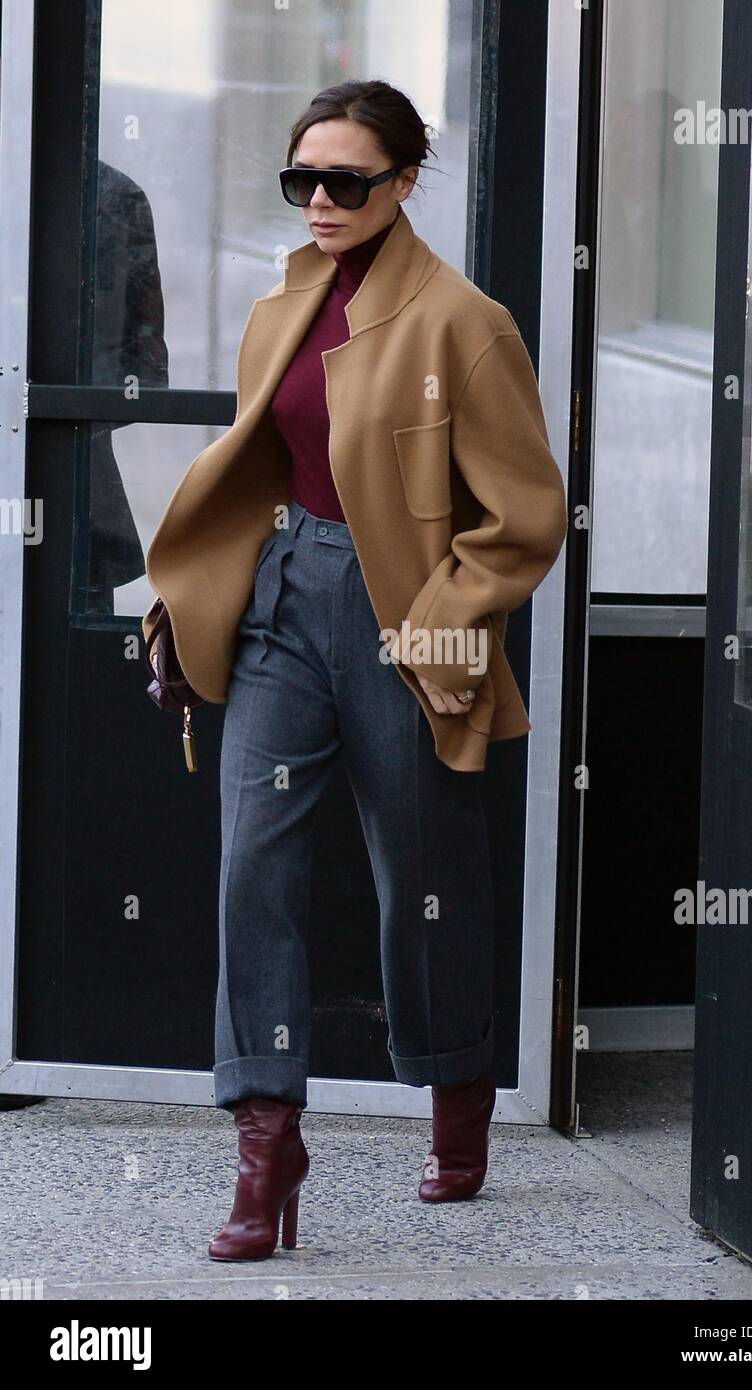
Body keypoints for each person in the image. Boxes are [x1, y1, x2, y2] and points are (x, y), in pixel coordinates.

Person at [144, 78, 568, 1262]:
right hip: (285, 598)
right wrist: (196, 601)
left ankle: (454, 1090)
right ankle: (265, 1141)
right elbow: (259, 470)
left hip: (404, 617)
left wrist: (437, 629)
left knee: (419, 873)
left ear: (404, 183)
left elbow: (526, 511)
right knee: (250, 867)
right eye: (302, 181)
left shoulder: (462, 321)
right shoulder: (285, 295)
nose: (320, 201)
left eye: (347, 181)